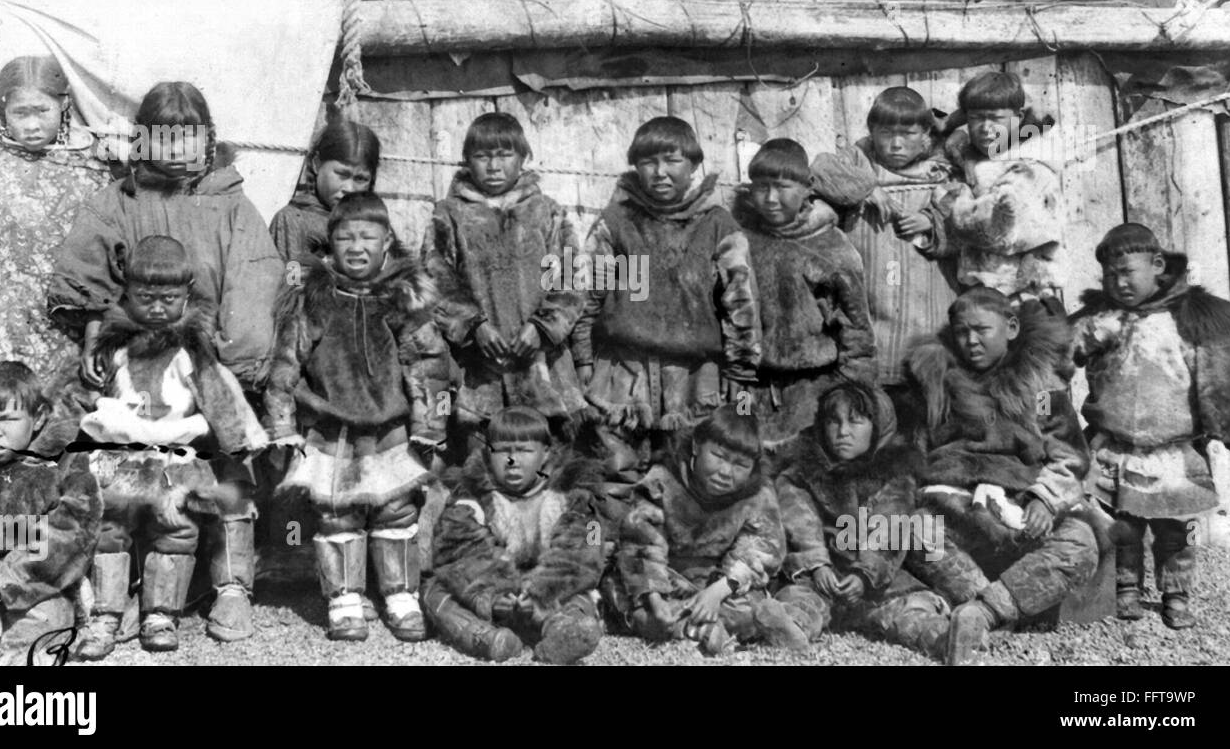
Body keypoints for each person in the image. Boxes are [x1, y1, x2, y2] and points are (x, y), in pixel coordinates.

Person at [49, 81, 283, 643]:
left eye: (188, 137)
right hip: (141, 358)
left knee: (230, 470)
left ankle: (232, 586)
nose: (176, 149)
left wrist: (236, 363)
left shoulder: (231, 203)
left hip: (213, 356)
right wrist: (98, 336)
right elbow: (88, 274)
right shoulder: (118, 201)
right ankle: (132, 593)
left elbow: (255, 279)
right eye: (164, 137)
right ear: (143, 139)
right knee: (132, 473)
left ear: (208, 140)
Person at [264, 192, 451, 642]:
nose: (356, 247)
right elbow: (285, 366)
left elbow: (428, 365)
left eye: (368, 236)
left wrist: (431, 427)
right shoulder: (314, 298)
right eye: (345, 237)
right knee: (335, 512)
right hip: (331, 430)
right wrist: (283, 428)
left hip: (390, 428)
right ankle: (344, 598)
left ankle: (400, 593)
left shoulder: (402, 298)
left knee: (395, 508)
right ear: (330, 244)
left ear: (387, 242)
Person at [70, 237, 267, 658]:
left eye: (170, 298)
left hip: (175, 457)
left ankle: (161, 613)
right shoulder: (114, 344)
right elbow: (81, 394)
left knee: (176, 529)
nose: (157, 307)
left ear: (187, 293)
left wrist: (235, 444)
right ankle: (106, 613)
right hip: (122, 458)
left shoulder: (190, 348)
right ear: (128, 292)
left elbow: (217, 396)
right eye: (146, 297)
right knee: (110, 528)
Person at [903, 287, 1097, 665]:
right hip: (953, 507)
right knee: (909, 529)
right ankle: (995, 609)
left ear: (1010, 327)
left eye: (981, 329)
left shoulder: (1040, 388)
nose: (970, 341)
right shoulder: (937, 383)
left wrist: (1045, 497)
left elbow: (1069, 454)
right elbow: (914, 453)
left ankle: (986, 612)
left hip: (1020, 508)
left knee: (1082, 543)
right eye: (961, 331)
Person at [1072, 223, 1230, 628]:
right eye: (1110, 275)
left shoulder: (1191, 320)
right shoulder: (1102, 320)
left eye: (1128, 272)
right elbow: (1058, 354)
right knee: (1123, 525)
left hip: (1175, 451)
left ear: (1157, 265)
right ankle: (1126, 587)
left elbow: (1219, 374)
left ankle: (1176, 592)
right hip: (1114, 445)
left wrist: (1229, 425)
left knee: (1177, 531)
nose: (1119, 282)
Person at [573, 116, 761, 440]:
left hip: (697, 377)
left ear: (693, 165)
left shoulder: (718, 225)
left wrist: (740, 368)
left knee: (694, 462)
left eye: (672, 160)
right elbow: (587, 293)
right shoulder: (617, 223)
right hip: (622, 373)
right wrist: (582, 358)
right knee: (614, 468)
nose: (659, 172)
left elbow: (741, 301)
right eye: (648, 162)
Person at [422, 112, 586, 465]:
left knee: (551, 465)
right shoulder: (448, 215)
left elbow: (573, 277)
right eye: (482, 156)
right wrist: (474, 326)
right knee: (483, 464)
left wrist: (542, 328)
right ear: (467, 160)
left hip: (542, 365)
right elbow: (435, 278)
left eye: (504, 155)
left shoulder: (547, 213)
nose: (494, 166)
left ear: (523, 158)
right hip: (480, 367)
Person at [0, 56, 111, 399]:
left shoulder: (92, 175)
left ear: (64, 105)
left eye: (42, 111)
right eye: (21, 113)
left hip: (64, 337)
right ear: (2, 110)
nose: (32, 124)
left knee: (57, 428)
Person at [612, 404, 816, 655]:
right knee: (632, 604)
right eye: (718, 456)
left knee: (753, 606)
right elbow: (641, 540)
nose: (725, 472)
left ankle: (707, 626)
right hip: (668, 578)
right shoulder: (663, 479)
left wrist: (719, 590)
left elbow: (762, 546)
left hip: (721, 583)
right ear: (697, 446)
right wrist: (654, 597)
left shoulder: (758, 493)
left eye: (740, 465)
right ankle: (696, 628)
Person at [773, 380, 952, 660]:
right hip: (822, 577)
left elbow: (889, 526)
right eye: (833, 421)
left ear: (878, 427)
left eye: (855, 422)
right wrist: (817, 564)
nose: (842, 432)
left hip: (875, 583)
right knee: (798, 600)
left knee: (906, 610)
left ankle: (941, 638)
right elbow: (798, 519)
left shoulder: (894, 474)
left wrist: (864, 574)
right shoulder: (801, 471)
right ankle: (791, 628)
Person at [0, 362, 101, 666]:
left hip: (33, 587)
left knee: (45, 627)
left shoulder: (63, 466)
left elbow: (63, 541)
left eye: (8, 419)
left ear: (38, 418)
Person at [425, 406, 607, 664]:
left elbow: (586, 551)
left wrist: (538, 597)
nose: (512, 461)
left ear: (545, 453)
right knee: (434, 592)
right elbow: (456, 551)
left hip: (548, 598)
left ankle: (560, 632)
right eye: (502, 451)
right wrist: (495, 595)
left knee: (582, 597)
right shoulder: (469, 494)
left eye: (524, 451)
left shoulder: (575, 496)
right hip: (493, 602)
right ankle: (486, 638)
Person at [736, 138, 875, 452]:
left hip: (811, 388)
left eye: (783, 187)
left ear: (808, 188)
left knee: (803, 463)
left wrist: (849, 394)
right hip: (747, 387)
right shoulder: (738, 241)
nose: (771, 198)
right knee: (746, 458)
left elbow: (856, 332)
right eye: (761, 187)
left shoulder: (831, 248)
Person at [840, 87, 961, 431]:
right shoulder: (856, 164)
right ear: (871, 132)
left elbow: (974, 225)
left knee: (929, 419)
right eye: (885, 134)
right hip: (875, 321)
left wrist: (934, 221)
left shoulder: (947, 170)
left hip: (931, 322)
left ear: (925, 134)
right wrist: (862, 186)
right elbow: (820, 171)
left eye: (907, 134)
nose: (895, 145)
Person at [934, 72, 1065, 310]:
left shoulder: (1027, 167)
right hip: (990, 291)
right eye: (975, 118)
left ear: (1019, 117)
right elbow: (942, 126)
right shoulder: (992, 154)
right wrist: (953, 124)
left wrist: (953, 199)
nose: (985, 128)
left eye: (995, 118)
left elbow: (993, 230)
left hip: (1025, 296)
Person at [270, 117, 380, 272]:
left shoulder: (375, 221)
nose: (349, 188)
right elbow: (291, 282)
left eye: (360, 179)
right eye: (342, 174)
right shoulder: (293, 221)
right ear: (316, 164)